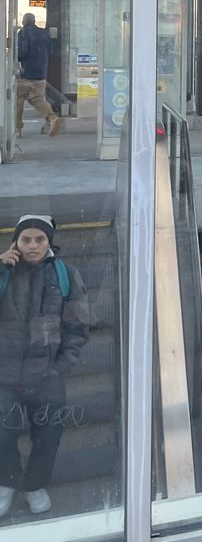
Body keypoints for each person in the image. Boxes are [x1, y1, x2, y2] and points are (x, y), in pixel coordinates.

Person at [0, 215, 92, 517]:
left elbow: (78, 326)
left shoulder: (65, 274)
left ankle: (34, 484)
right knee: (1, 434)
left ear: (49, 241)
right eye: (26, 239)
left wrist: (59, 369)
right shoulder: (4, 270)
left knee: (49, 435)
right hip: (4, 375)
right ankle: (7, 481)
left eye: (40, 239)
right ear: (16, 241)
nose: (33, 246)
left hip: (47, 376)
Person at [14, 14, 62, 138]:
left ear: (24, 21)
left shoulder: (22, 33)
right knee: (38, 99)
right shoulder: (44, 33)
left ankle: (17, 129)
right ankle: (52, 118)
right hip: (41, 75)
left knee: (18, 102)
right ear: (34, 21)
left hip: (25, 74)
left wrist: (17, 58)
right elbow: (51, 51)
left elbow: (22, 53)